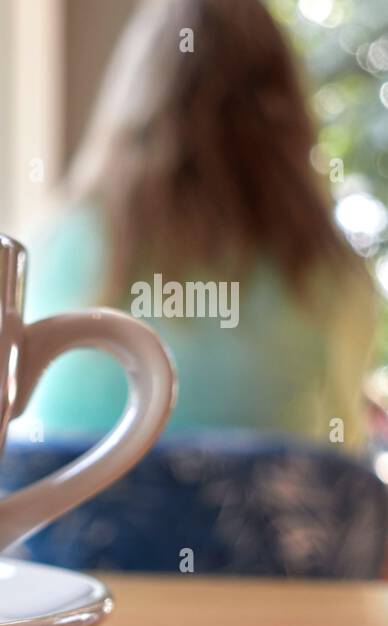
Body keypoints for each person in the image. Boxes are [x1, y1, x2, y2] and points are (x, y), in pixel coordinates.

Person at [23, 0, 379, 452]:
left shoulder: (56, 245)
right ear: (285, 104)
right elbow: (339, 467)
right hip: (272, 522)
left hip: (61, 520)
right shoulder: (331, 276)